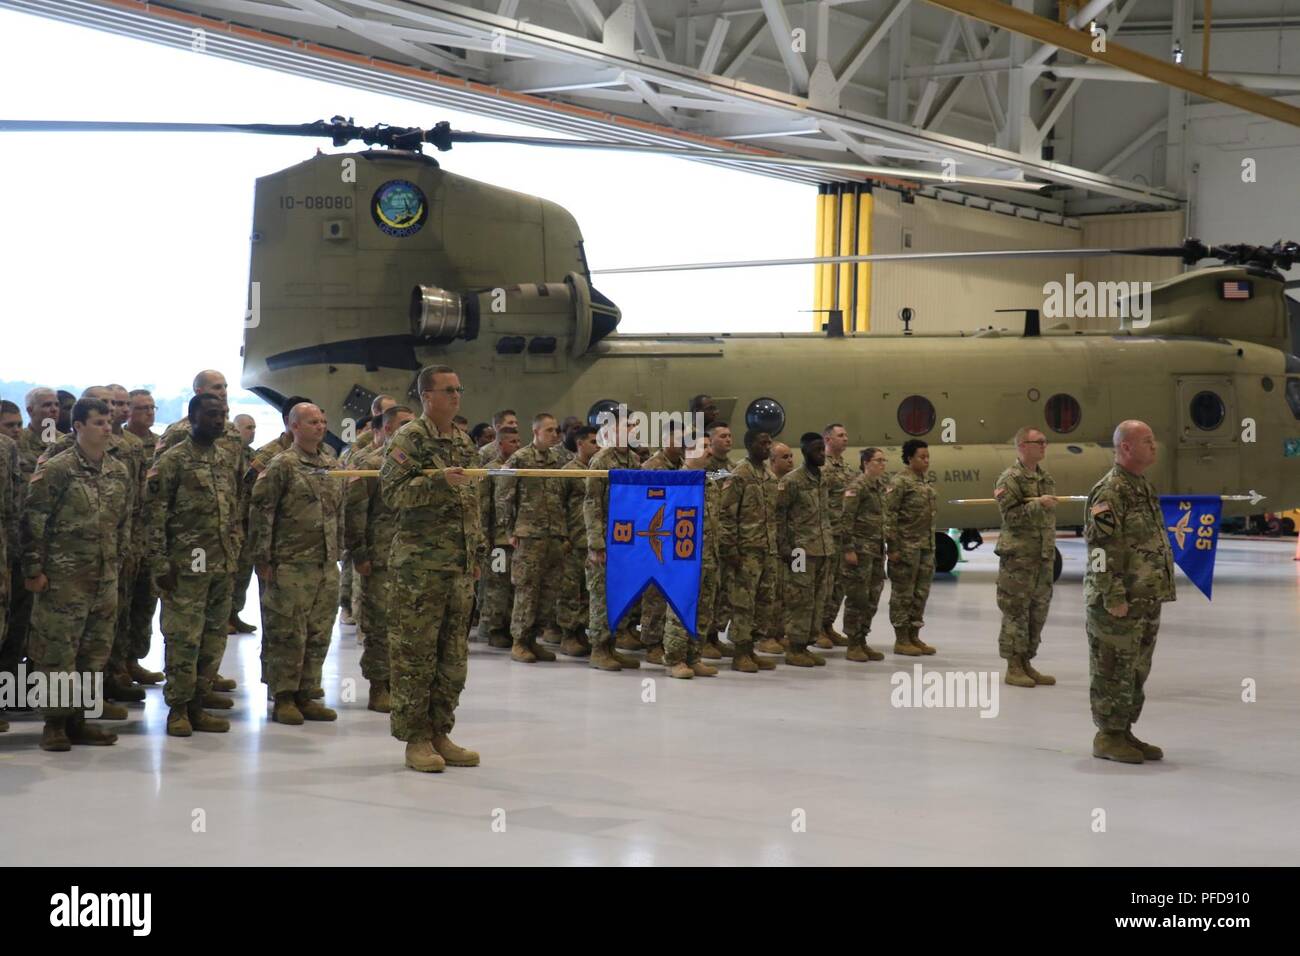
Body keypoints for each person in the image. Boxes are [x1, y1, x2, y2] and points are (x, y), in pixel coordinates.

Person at [380, 364, 482, 773]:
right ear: (427, 396)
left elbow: (474, 500)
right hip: (419, 569)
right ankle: (416, 739)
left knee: (453, 656)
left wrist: (474, 555)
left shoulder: (461, 438)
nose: (457, 396)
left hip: (457, 566)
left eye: (459, 389)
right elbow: (392, 492)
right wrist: (437, 481)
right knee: (415, 655)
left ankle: (441, 730)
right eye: (449, 390)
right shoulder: (410, 439)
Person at [23, 398, 130, 750]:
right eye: (99, 422)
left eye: (109, 421)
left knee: (93, 653)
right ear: (79, 426)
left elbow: (124, 522)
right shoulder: (58, 468)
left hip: (104, 578)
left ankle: (79, 720)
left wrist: (120, 563)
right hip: (63, 579)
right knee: (57, 652)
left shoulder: (118, 470)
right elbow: (34, 519)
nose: (106, 428)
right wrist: (33, 569)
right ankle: (54, 724)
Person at [146, 394, 243, 735]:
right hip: (185, 567)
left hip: (221, 565)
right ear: (193, 417)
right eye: (211, 414)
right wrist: (160, 563)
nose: (219, 420)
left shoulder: (227, 459)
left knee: (213, 638)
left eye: (223, 414)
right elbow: (154, 515)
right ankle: (178, 709)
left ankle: (199, 704)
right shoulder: (173, 461)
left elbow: (235, 509)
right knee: (183, 638)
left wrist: (235, 548)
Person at [1084, 420, 1176, 764]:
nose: (1154, 446)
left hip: (1145, 597)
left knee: (1135, 669)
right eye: (1147, 441)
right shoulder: (1110, 492)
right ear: (1126, 448)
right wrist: (1113, 596)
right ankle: (1107, 736)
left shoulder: (1141, 487)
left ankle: (1123, 731)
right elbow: (1099, 549)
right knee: (1112, 668)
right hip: (1118, 600)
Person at [248, 403, 344, 725]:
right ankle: (283, 696)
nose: (320, 426)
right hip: (290, 562)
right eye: (312, 421)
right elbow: (262, 512)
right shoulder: (282, 465)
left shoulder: (331, 464)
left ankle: (308, 691)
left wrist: (338, 552)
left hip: (325, 563)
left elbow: (336, 512)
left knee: (319, 632)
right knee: (287, 632)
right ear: (294, 426)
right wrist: (263, 558)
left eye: (323, 421)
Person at [345, 403, 415, 713]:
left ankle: (402, 684)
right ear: (386, 429)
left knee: (408, 625)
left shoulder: (417, 464)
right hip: (381, 557)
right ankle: (379, 686)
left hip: (413, 558)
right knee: (379, 625)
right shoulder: (369, 464)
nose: (410, 430)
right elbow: (355, 513)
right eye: (403, 424)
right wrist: (359, 553)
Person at [497, 413, 566, 664]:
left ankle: (534, 639)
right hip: (528, 534)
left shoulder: (559, 460)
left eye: (556, 430)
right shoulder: (521, 458)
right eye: (549, 430)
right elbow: (504, 497)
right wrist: (509, 530)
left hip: (554, 533)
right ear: (536, 432)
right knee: (527, 589)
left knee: (549, 591)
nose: (554, 435)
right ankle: (519, 641)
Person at [995, 427, 1059, 689]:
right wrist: (1037, 504)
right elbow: (1009, 516)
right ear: (1022, 445)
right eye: (1038, 442)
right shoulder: (1009, 478)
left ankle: (1027, 661)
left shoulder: (1045, 478)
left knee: (1038, 612)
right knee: (1016, 611)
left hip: (1041, 556)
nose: (1044, 446)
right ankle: (1013, 665)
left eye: (1045, 442)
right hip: (1018, 557)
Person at [719, 429, 780, 673]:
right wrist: (731, 548)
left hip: (767, 549)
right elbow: (725, 513)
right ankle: (740, 652)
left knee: (764, 602)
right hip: (746, 550)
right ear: (750, 445)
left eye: (769, 442)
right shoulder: (739, 473)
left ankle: (752, 648)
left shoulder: (768, 475)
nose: (767, 446)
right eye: (762, 442)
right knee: (743, 602)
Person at [584, 423, 643, 672]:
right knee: (602, 596)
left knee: (622, 595)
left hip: (627, 539)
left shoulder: (634, 459)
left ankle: (613, 646)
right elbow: (591, 503)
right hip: (607, 539)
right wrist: (596, 543)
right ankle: (599, 649)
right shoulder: (600, 460)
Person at [660, 443, 720, 680]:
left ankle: (694, 656)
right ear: (687, 452)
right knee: (679, 608)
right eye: (702, 447)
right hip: (682, 557)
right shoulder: (676, 483)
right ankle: (675, 659)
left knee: (703, 609)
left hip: (708, 556)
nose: (709, 451)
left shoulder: (711, 485)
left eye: (709, 446)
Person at [775, 433, 835, 667]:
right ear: (806, 452)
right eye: (818, 450)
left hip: (822, 549)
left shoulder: (822, 478)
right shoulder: (792, 481)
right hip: (800, 551)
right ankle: (794, 647)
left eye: (823, 449)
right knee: (800, 598)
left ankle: (806, 643)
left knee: (818, 598)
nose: (823, 454)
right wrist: (785, 548)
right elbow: (779, 517)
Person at [637, 428, 687, 665]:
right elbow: (642, 505)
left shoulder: (686, 465)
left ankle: (673, 642)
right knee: (655, 595)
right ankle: (652, 643)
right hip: (657, 537)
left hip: (680, 538)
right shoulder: (651, 466)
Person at [885, 439, 939, 657]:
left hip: (925, 545)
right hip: (906, 547)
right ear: (909, 458)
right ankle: (901, 639)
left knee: (920, 593)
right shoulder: (900, 483)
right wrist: (893, 547)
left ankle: (914, 635)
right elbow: (889, 516)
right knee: (903, 594)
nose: (926, 461)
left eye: (927, 457)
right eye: (921, 457)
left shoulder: (924, 482)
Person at [840, 447, 888, 663]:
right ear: (866, 463)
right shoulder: (856, 487)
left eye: (883, 461)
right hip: (860, 550)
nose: (882, 464)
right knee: (857, 597)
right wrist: (848, 549)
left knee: (872, 597)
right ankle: (852, 643)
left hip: (876, 549)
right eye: (878, 460)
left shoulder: (879, 487)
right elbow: (846, 519)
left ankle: (862, 639)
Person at [554, 424, 598, 658]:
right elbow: (557, 505)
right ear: (579, 443)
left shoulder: (597, 469)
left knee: (587, 590)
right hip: (573, 539)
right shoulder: (568, 470)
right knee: (570, 590)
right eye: (592, 441)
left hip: (591, 541)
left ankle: (582, 631)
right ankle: (568, 635)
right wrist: (563, 536)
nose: (597, 445)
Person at [476, 425, 521, 648]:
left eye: (518, 441)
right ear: (500, 444)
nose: (517, 445)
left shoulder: (517, 468)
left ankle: (509, 626)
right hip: (497, 539)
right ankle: (493, 627)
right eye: (512, 442)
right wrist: (485, 538)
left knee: (513, 586)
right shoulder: (490, 470)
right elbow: (484, 508)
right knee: (496, 586)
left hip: (516, 538)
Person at [817, 423, 852, 648]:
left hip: (843, 534)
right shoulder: (822, 468)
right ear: (828, 440)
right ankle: (817, 628)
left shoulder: (846, 469)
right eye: (841, 435)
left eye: (845, 435)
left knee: (839, 584)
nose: (845, 439)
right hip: (827, 533)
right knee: (825, 584)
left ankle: (828, 625)